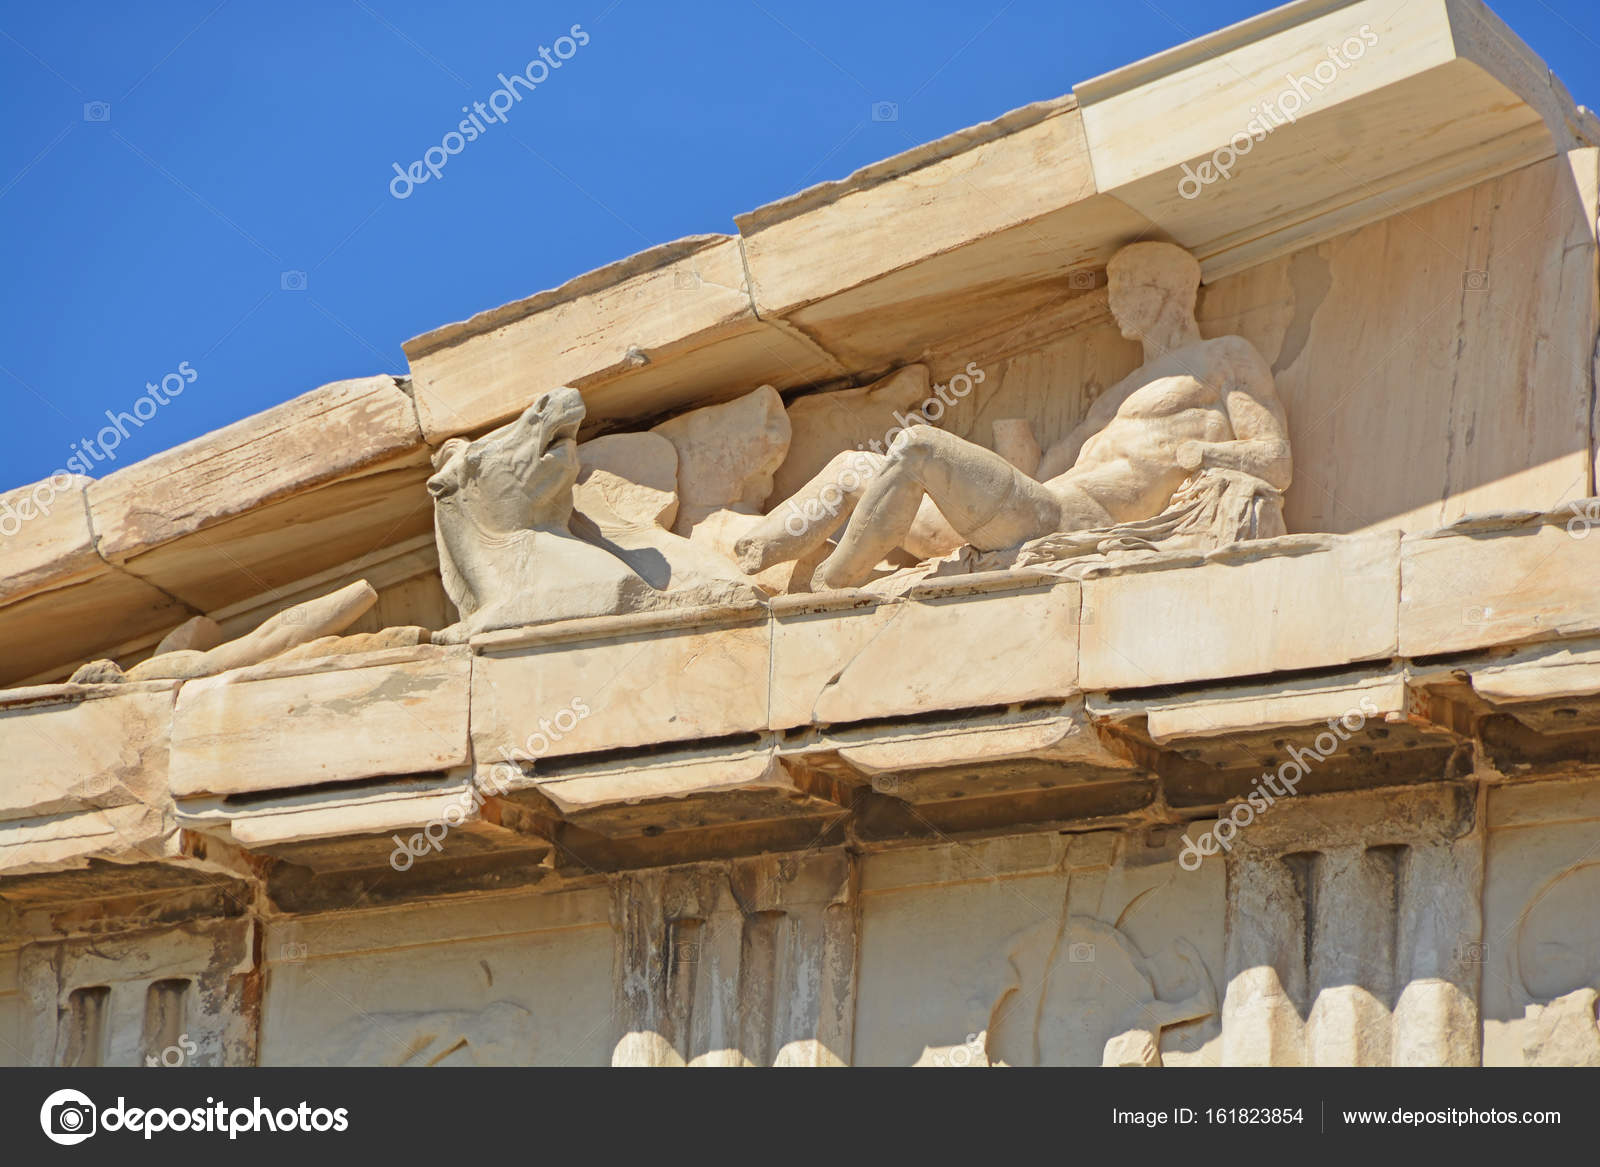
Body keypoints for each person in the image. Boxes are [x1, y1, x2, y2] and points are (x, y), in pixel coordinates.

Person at [735, 241, 1292, 589]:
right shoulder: (1114, 397)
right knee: (856, 466)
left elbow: (1276, 459)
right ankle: (742, 564)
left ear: (1170, 292)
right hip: (1028, 512)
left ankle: (836, 588)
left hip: (1063, 522)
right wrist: (1018, 449)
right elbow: (1042, 473)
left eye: (1126, 286)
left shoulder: (1223, 357)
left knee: (918, 446)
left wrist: (1203, 454)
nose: (1111, 300)